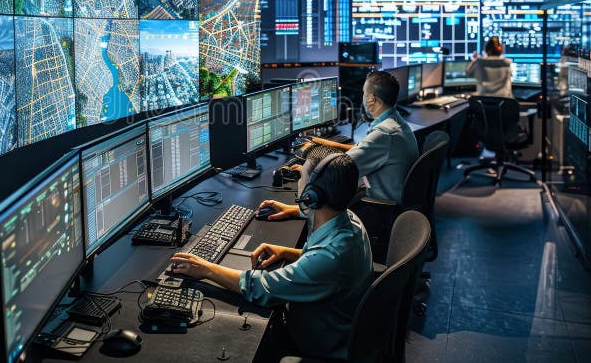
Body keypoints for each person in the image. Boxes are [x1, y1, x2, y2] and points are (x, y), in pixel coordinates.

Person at [170, 153, 373, 360]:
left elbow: (261, 287)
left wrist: (207, 269)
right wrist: (286, 250)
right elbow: (322, 259)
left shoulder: (330, 258)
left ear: (311, 196)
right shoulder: (350, 220)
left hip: (320, 342)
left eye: (302, 178)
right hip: (340, 322)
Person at [258, 70, 419, 222]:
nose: (362, 97)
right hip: (393, 200)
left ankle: (303, 215)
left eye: (364, 93)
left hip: (379, 210)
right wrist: (322, 143)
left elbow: (339, 171)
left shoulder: (384, 134)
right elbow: (361, 149)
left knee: (327, 197)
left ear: (372, 100)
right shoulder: (395, 123)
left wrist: (310, 170)